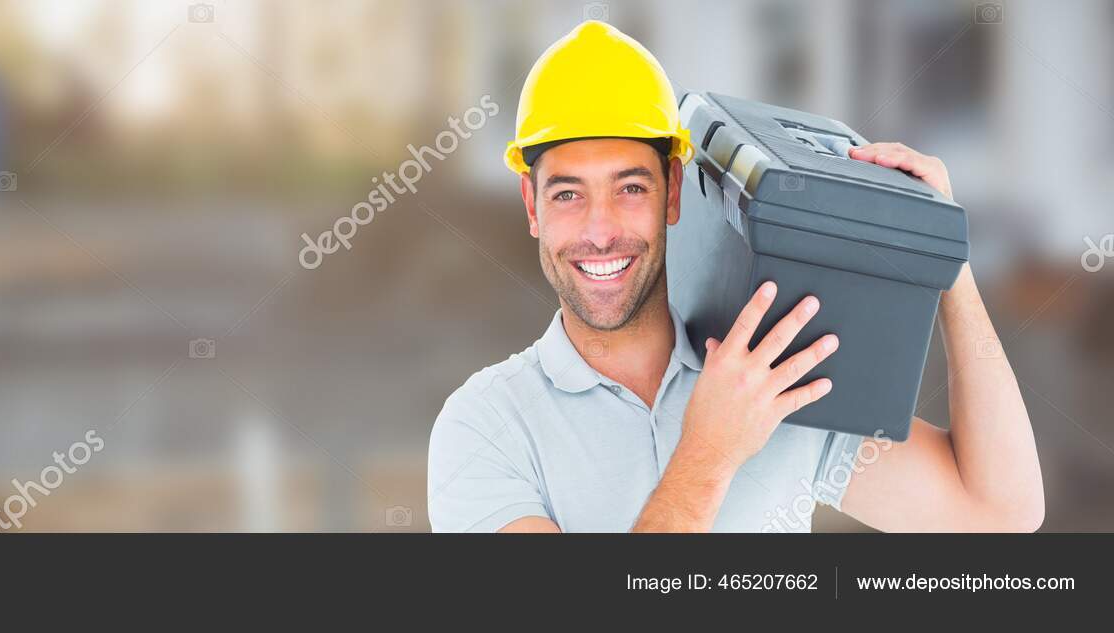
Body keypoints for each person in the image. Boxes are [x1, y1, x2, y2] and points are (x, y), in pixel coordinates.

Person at [426, 21, 1044, 532]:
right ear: (532, 208)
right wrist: (711, 451)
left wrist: (945, 254)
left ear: (673, 195)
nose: (600, 229)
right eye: (567, 195)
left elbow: (1001, 514)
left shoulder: (767, 374)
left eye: (631, 188)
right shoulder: (485, 427)